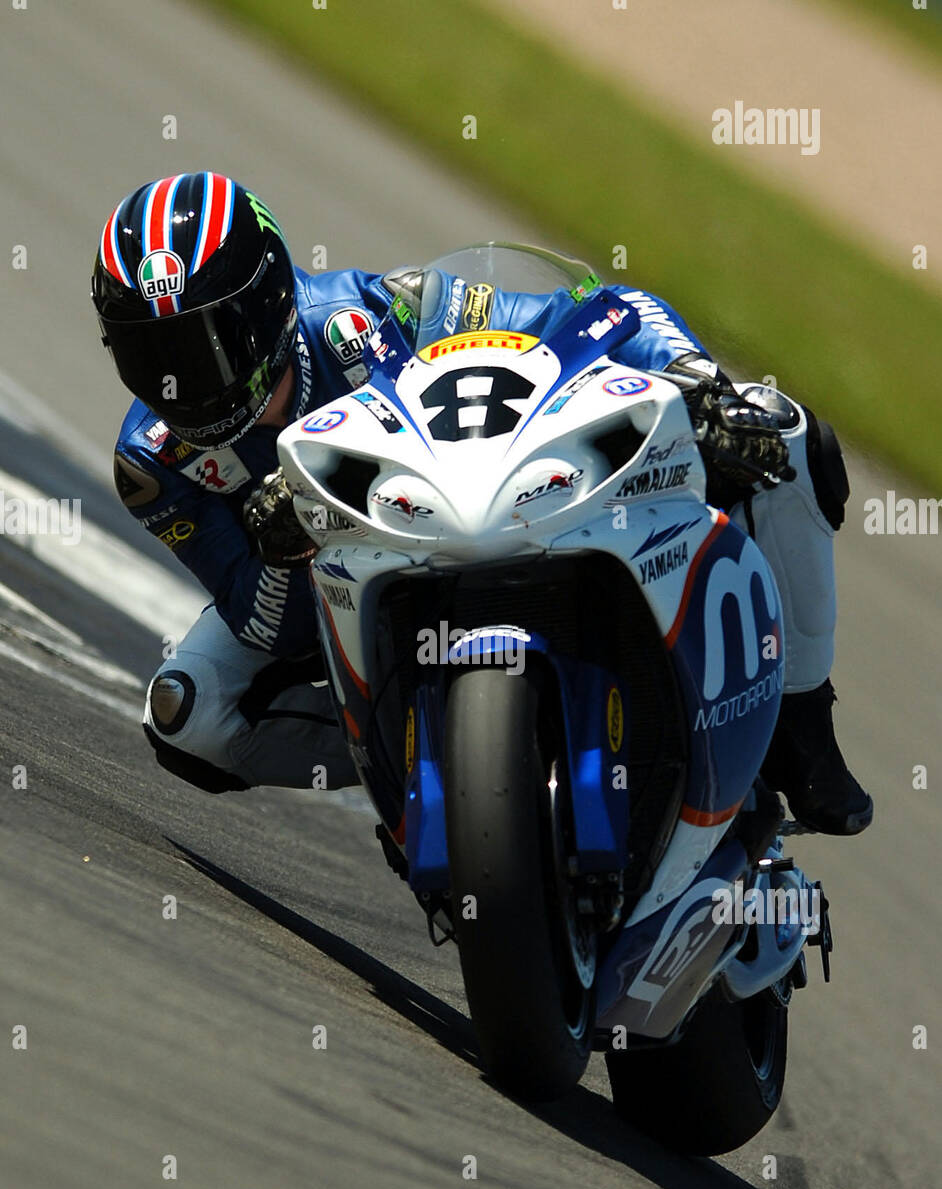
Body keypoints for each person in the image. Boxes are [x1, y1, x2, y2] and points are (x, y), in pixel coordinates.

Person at [91, 171, 871, 834]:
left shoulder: (376, 317)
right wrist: (287, 541)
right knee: (187, 712)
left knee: (785, 431)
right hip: (335, 589)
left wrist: (697, 380)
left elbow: (588, 316)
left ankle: (803, 720)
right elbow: (265, 625)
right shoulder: (154, 463)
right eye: (148, 355)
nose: (176, 383)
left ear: (265, 307)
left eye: (199, 347)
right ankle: (410, 755)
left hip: (484, 515)